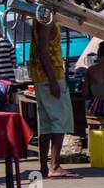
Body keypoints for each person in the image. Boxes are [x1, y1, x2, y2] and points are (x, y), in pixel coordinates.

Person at [30, 11, 81, 179]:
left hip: (41, 76)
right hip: (50, 76)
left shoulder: (40, 19)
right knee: (59, 120)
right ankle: (55, 165)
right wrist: (53, 80)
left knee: (46, 124)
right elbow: (44, 51)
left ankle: (44, 166)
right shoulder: (46, 20)